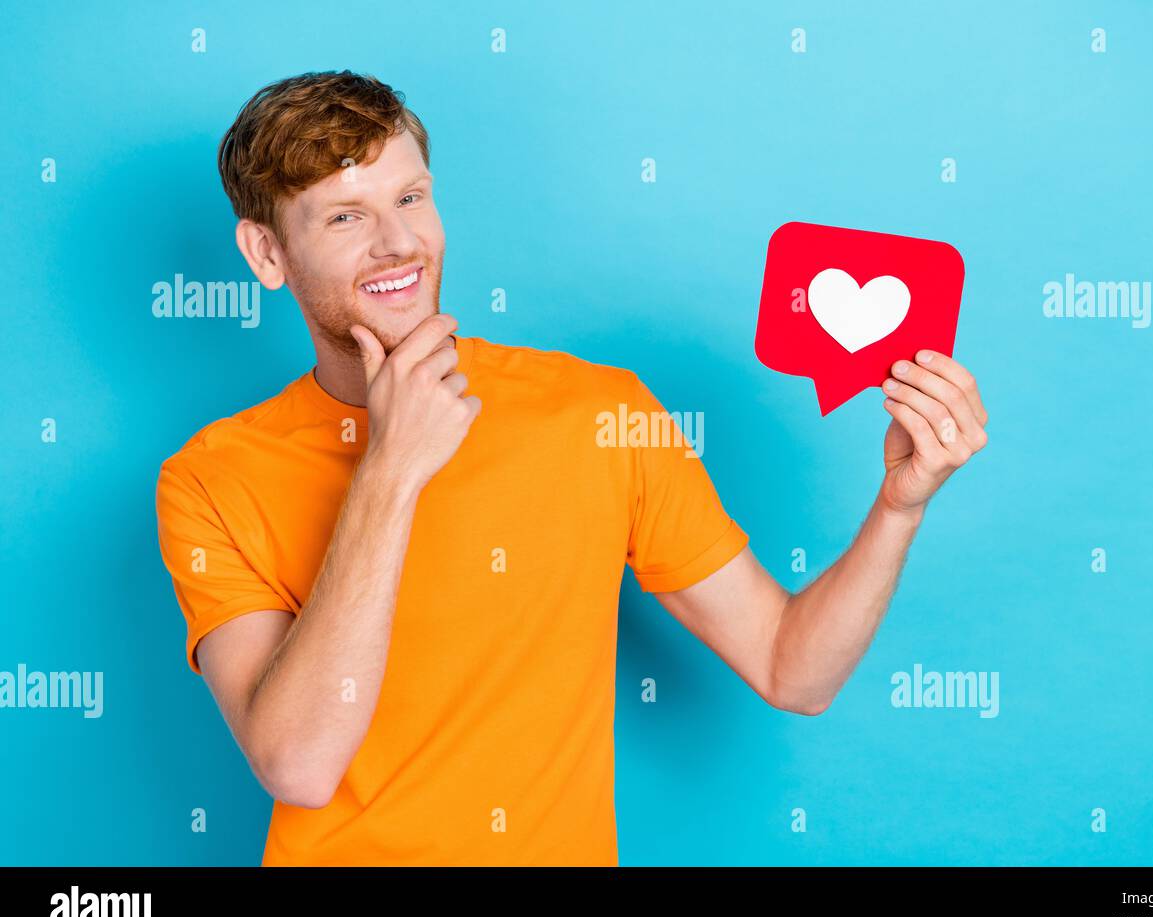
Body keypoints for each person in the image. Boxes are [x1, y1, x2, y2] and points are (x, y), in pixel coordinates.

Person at [155, 70, 990, 866]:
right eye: (345, 217)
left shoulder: (599, 414)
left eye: (411, 198)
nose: (398, 242)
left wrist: (899, 508)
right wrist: (391, 469)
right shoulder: (208, 480)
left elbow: (791, 668)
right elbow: (299, 765)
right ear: (267, 256)